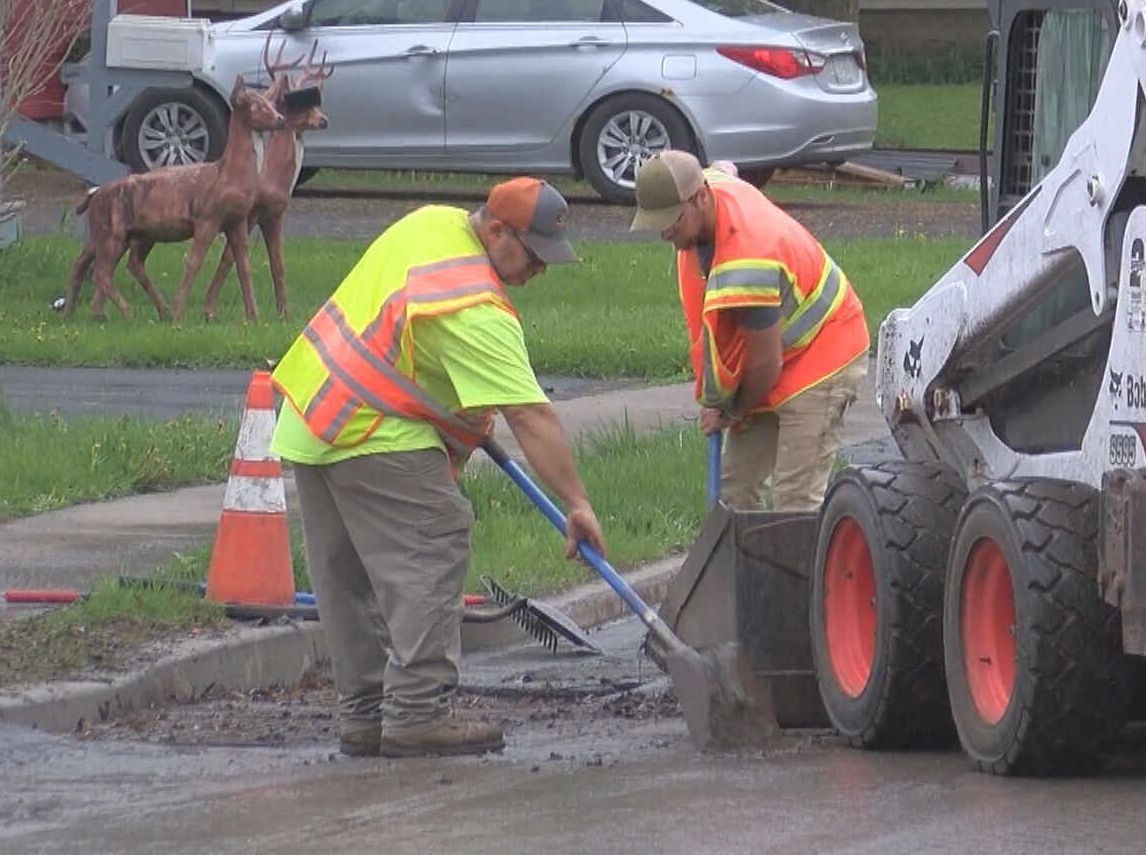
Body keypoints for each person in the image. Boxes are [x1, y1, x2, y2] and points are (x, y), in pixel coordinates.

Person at [269, 178, 607, 759]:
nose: (539, 271)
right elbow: (531, 416)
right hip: (372, 430)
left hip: (313, 416)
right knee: (433, 541)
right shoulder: (474, 305)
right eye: (534, 256)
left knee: (348, 577)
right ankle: (418, 712)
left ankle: (366, 714)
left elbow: (409, 340)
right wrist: (577, 503)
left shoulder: (432, 225)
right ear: (496, 231)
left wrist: (464, 413)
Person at [630, 150, 868, 512]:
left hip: (825, 354)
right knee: (734, 492)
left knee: (794, 501)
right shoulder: (711, 184)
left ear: (701, 198)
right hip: (776, 354)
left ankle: (802, 550)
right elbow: (725, 168)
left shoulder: (748, 261)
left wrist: (730, 412)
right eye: (656, 223)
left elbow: (766, 365)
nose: (664, 233)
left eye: (672, 221)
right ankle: (743, 551)